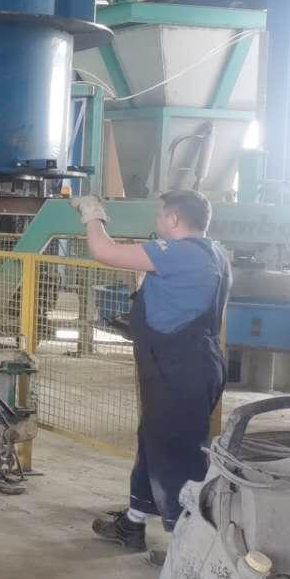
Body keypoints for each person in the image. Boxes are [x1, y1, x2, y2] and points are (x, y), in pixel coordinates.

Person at [76, 188, 230, 550]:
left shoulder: (179, 252)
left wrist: (92, 215)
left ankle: (188, 548)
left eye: (160, 215)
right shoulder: (215, 252)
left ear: (173, 219)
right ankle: (133, 523)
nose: (157, 221)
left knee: (177, 455)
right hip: (191, 364)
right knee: (154, 441)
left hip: (179, 369)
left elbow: (104, 251)